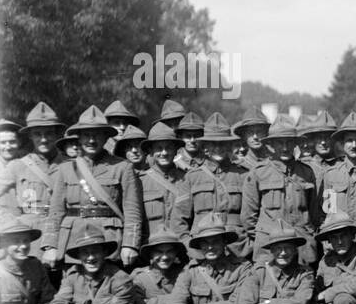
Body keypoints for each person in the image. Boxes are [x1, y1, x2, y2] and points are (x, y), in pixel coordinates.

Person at [43, 106, 144, 270]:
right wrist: (50, 246)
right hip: (73, 241)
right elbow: (56, 211)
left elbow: (132, 211)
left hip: (109, 241)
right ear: (79, 138)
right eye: (86, 135)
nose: (91, 140)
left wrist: (130, 245)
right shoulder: (65, 169)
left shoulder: (122, 167)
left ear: (105, 137)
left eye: (96, 134)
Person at [241, 116, 321, 265]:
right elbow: (248, 219)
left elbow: (314, 213)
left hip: (302, 246)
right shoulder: (258, 173)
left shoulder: (307, 172)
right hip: (270, 246)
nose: (285, 147)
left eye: (289, 142)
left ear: (296, 144)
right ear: (270, 144)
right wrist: (266, 234)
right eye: (279, 142)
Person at [162, 213, 250, 304]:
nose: (210, 247)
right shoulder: (191, 271)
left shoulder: (242, 268)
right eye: (205, 243)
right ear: (199, 245)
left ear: (224, 242)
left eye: (215, 242)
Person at [233, 221, 315, 304]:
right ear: (271, 250)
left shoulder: (305, 274)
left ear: (295, 249)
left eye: (288, 247)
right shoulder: (259, 272)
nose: (283, 253)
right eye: (278, 248)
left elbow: (301, 303)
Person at [175, 113, 250, 259]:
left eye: (223, 143)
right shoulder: (192, 177)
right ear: (205, 147)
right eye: (213, 143)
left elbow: (254, 216)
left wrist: (248, 246)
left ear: (230, 145)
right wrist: (190, 248)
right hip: (202, 249)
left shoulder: (244, 176)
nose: (218, 147)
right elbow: (179, 220)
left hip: (237, 249)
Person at [6, 103, 67, 250]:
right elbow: (8, 209)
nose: (44, 139)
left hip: (62, 233)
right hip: (29, 238)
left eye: (49, 133)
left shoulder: (71, 166)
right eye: (38, 134)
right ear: (30, 136)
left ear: (57, 135)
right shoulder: (16, 167)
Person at [138, 122, 191, 244]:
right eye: (159, 148)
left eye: (168, 147)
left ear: (176, 151)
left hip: (182, 246)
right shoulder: (140, 181)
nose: (164, 153)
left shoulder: (187, 179)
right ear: (151, 151)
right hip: (152, 248)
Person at [320, 111, 356, 226]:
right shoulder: (331, 175)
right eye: (349, 140)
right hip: (340, 239)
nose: (354, 145)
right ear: (342, 143)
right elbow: (328, 212)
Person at [132, 230, 186, 304]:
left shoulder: (184, 273)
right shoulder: (141, 277)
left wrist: (152, 302)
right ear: (151, 254)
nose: (165, 257)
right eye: (159, 252)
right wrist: (172, 299)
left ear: (176, 253)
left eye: (169, 251)